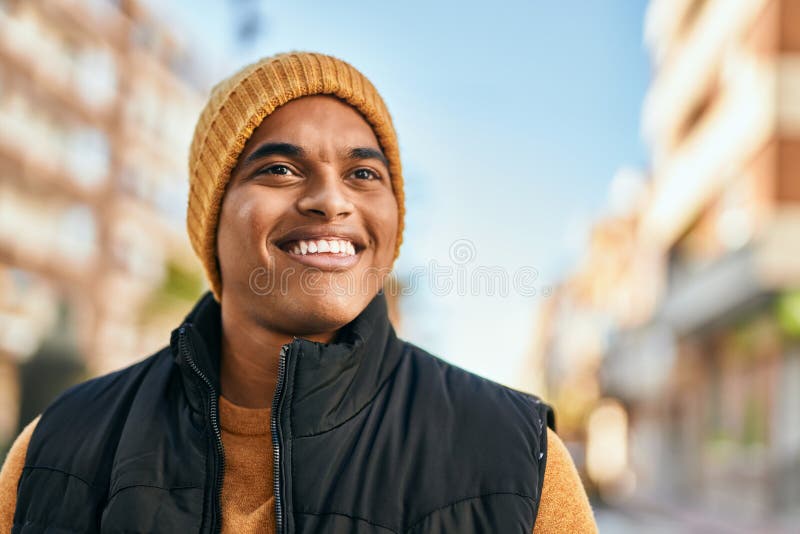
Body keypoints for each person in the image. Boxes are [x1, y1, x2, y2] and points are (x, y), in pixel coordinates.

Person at [0, 52, 597, 533]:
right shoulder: (58, 449)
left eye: (364, 174)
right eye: (280, 169)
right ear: (211, 217)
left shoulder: (519, 462)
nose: (332, 201)